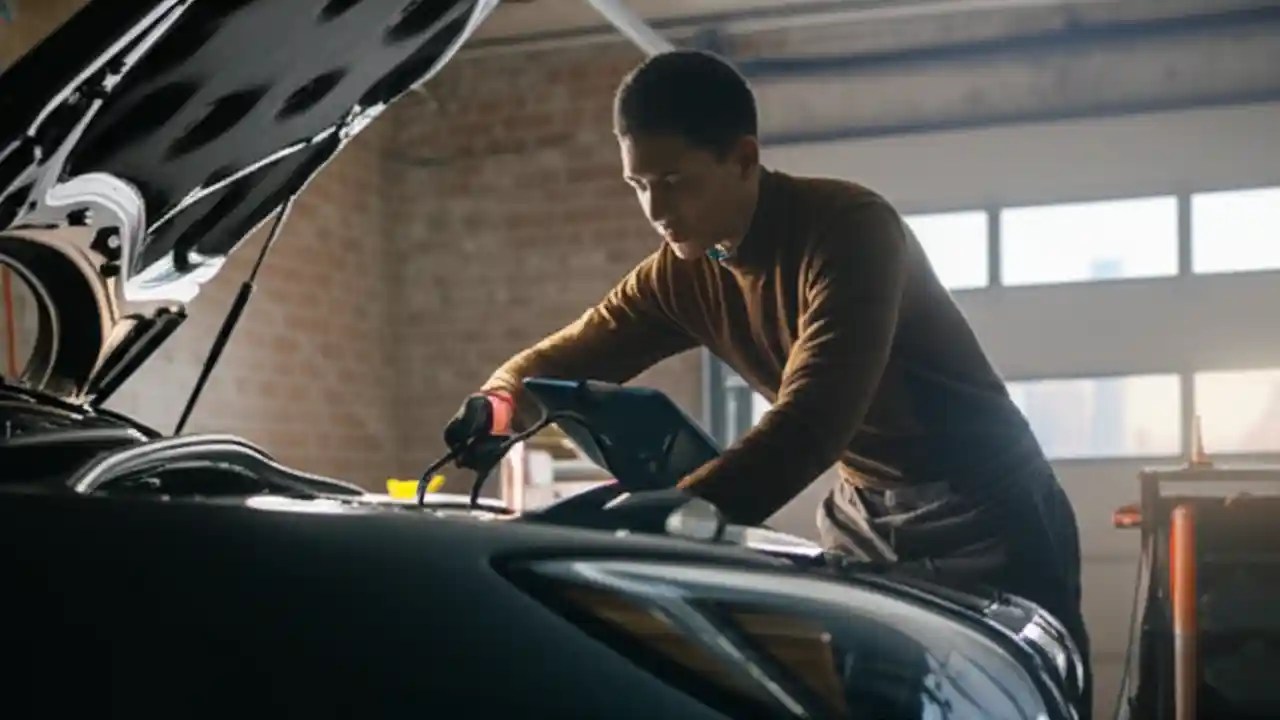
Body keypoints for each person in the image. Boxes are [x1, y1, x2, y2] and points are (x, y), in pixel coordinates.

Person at [444, 49, 1091, 715]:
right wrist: (498, 405)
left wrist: (672, 520)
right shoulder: (685, 269)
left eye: (674, 180)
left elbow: (811, 422)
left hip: (987, 513)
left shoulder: (849, 230)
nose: (657, 210)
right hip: (864, 519)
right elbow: (562, 360)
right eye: (639, 186)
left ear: (744, 158)